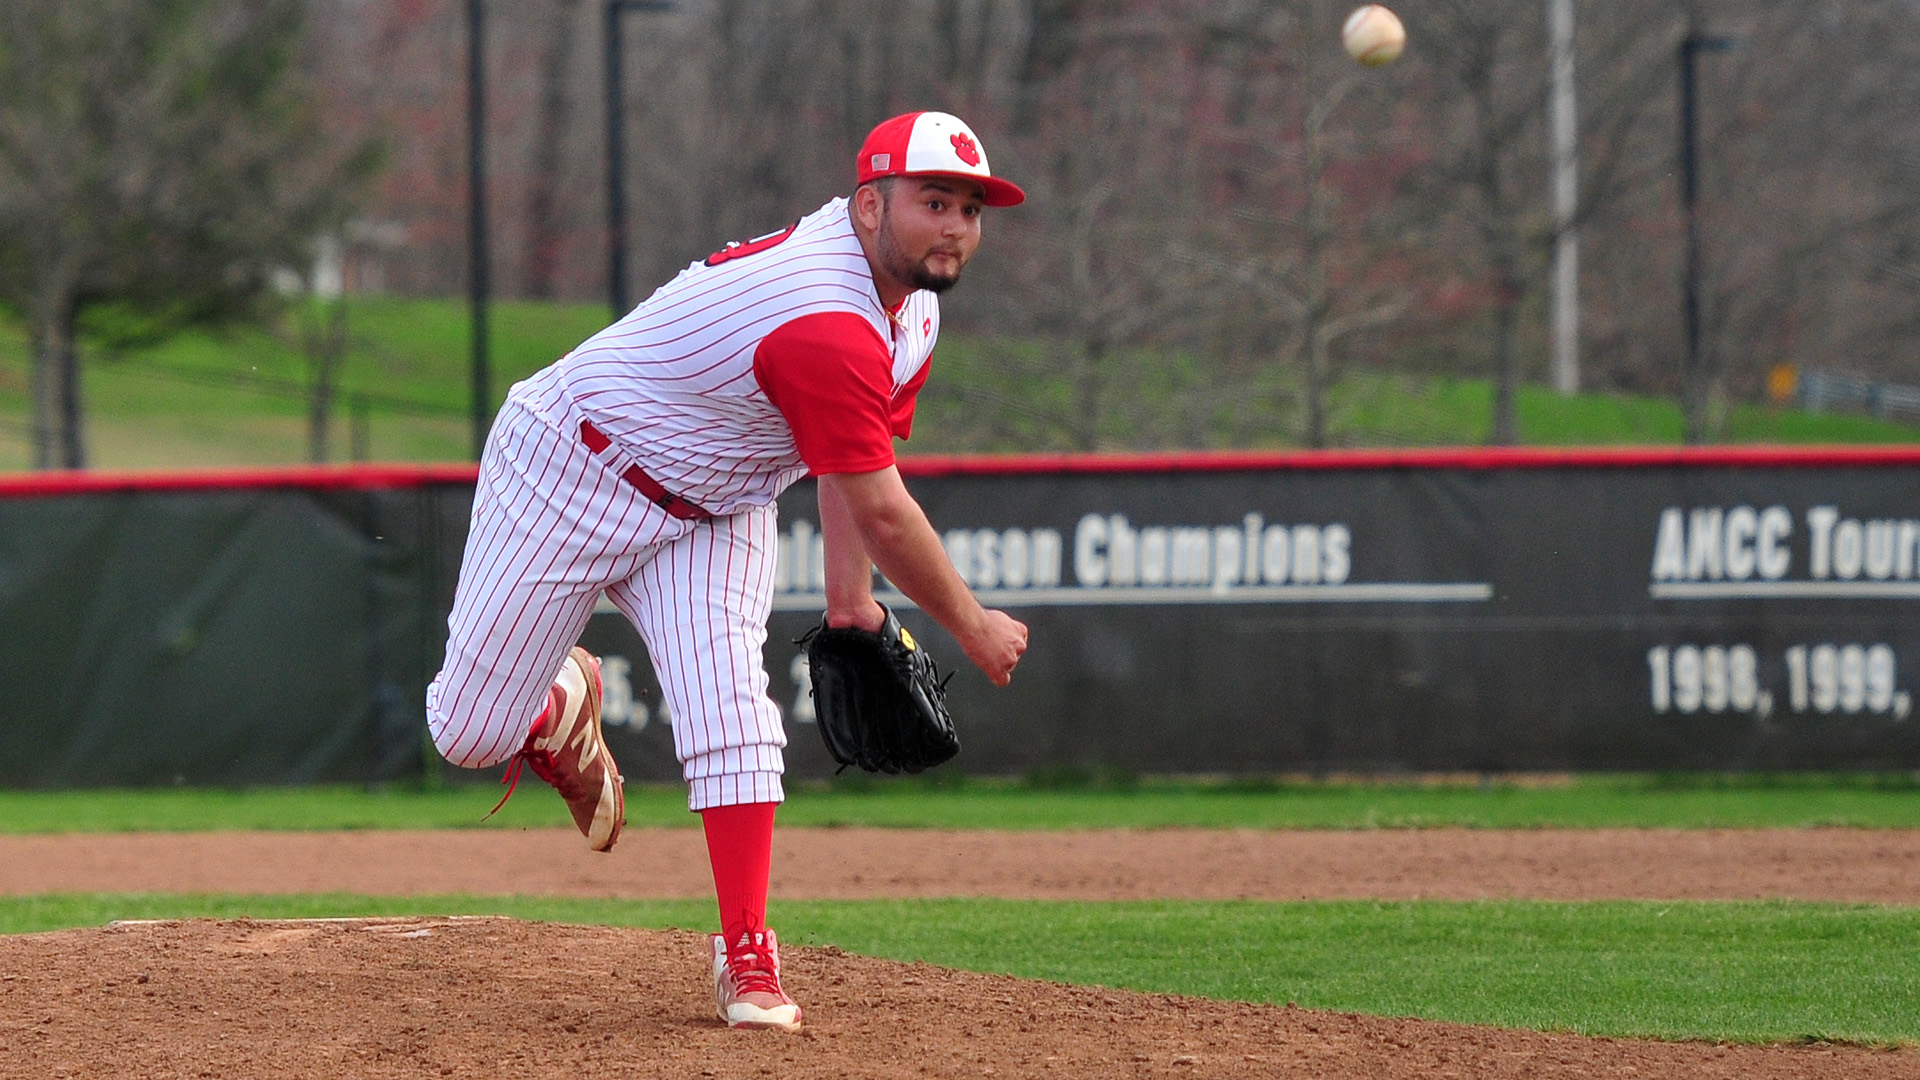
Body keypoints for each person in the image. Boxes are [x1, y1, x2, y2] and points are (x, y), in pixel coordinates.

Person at [423, 111, 1030, 1032]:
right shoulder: (825, 317)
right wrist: (973, 625)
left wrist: (850, 602)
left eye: (970, 209)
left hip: (715, 509)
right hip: (571, 464)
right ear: (869, 205)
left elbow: (849, 469)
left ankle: (746, 947)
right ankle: (559, 705)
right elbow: (883, 509)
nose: (954, 226)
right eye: (932, 201)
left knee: (734, 713)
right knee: (466, 733)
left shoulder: (914, 314)